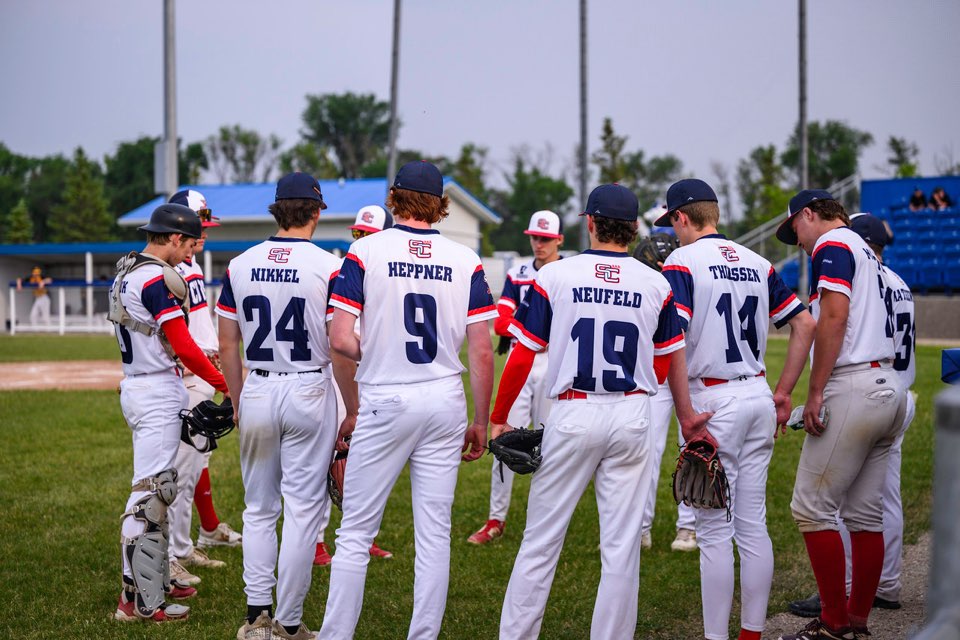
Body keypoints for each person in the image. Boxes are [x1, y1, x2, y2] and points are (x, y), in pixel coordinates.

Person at [492, 183, 710, 639]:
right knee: (621, 547)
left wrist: (498, 415)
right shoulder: (657, 282)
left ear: (589, 222)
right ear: (634, 228)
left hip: (573, 412)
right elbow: (666, 358)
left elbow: (522, 353)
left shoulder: (554, 275)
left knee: (540, 542)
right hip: (633, 413)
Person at [318, 160, 496, 639]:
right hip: (444, 397)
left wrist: (377, 351)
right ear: (440, 205)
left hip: (387, 394)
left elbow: (339, 338)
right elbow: (481, 348)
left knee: (355, 532)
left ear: (393, 198)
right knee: (434, 535)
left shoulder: (365, 251)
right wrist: (481, 419)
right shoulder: (466, 259)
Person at [654, 179, 816, 640]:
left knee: (712, 531)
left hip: (712, 400)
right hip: (757, 394)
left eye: (673, 222)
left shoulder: (681, 260)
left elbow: (672, 342)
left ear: (682, 217)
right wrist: (784, 392)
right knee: (752, 524)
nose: (673, 231)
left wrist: (685, 413)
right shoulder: (759, 262)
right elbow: (803, 324)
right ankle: (751, 633)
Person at [219, 172, 348, 640]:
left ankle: (256, 617)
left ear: (277, 210)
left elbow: (228, 344)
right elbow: (339, 345)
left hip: (257, 384)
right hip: (310, 386)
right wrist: (350, 406)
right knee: (302, 510)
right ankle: (289, 623)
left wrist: (237, 398)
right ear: (316, 212)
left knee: (258, 509)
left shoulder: (239, 263)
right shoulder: (330, 265)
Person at [775, 190, 907, 640]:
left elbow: (833, 318)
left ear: (809, 215)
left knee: (810, 507)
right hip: (890, 384)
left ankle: (833, 621)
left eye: (796, 229)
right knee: (866, 517)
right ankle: (855, 620)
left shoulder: (833, 245)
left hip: (853, 383)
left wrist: (814, 393)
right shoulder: (868, 252)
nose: (799, 242)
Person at [108, 203, 229, 623]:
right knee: (148, 497)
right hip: (155, 389)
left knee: (161, 489)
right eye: (189, 242)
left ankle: (154, 581)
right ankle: (137, 601)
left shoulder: (127, 269)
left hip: (141, 385)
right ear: (174, 238)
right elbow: (183, 345)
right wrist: (224, 382)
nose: (190, 250)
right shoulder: (156, 277)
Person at [467, 209, 562, 546]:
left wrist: (523, 329)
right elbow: (500, 321)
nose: (539, 243)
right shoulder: (519, 272)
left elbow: (515, 323)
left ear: (559, 240)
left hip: (553, 364)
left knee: (551, 444)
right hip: (521, 361)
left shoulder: (566, 272)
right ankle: (496, 518)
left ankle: (544, 523)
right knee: (506, 440)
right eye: (535, 237)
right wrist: (531, 330)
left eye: (546, 238)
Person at [165, 190, 241, 582]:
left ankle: (186, 543)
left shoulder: (188, 266)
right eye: (198, 228)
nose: (204, 235)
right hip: (188, 375)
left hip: (201, 370)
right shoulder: (171, 270)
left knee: (195, 464)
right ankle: (172, 553)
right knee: (180, 469)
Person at [314, 204, 395, 566]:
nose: (360, 241)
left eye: (369, 235)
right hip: (337, 376)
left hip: (374, 379)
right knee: (329, 461)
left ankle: (364, 535)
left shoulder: (391, 277)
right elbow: (336, 339)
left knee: (366, 465)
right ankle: (316, 541)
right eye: (357, 234)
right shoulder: (339, 272)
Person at [631, 234, 698, 553]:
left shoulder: (690, 272)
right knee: (648, 450)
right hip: (655, 372)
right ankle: (642, 527)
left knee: (690, 448)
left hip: (690, 371)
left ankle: (688, 525)